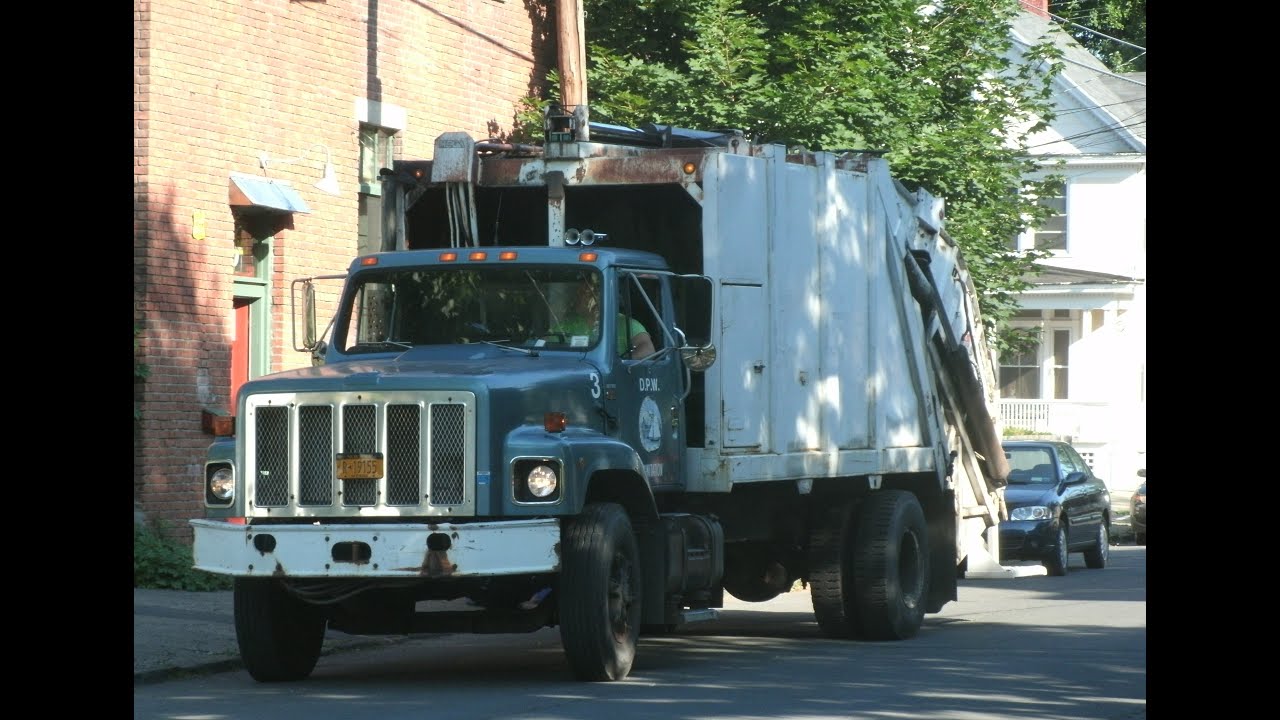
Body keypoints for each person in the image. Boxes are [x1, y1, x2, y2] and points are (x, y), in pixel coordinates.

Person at [553, 276, 655, 359]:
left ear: (597, 297)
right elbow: (544, 343)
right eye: (578, 294)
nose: (578, 298)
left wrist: (620, 363)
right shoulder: (567, 325)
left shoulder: (624, 323)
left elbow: (648, 349)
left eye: (585, 294)